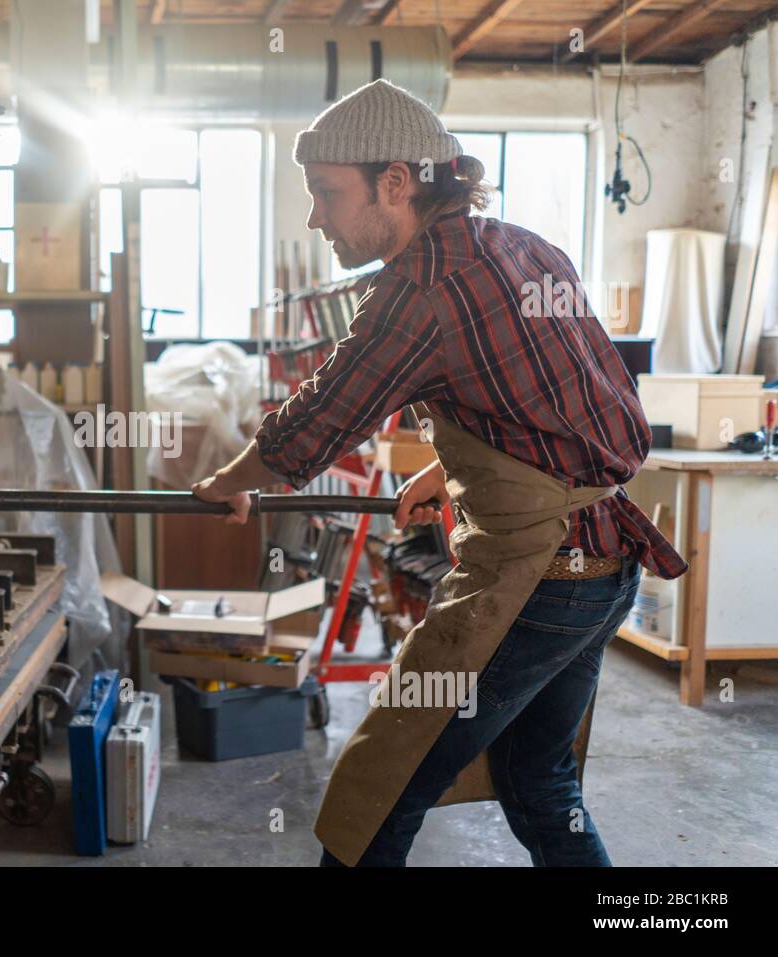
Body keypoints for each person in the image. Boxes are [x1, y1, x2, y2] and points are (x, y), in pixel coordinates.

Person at [192, 79, 687, 867]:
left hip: (539, 579)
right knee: (539, 779)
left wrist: (232, 479)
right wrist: (452, 477)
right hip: (605, 563)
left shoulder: (419, 286)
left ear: (396, 183)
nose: (316, 217)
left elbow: (317, 423)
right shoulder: (524, 245)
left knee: (380, 784)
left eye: (326, 193)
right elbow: (576, 406)